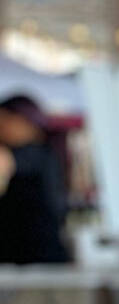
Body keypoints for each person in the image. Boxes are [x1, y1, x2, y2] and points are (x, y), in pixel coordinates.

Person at [0, 95, 70, 265]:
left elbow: (4, 161)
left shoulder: (37, 154)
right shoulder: (47, 153)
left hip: (37, 260)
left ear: (23, 121)